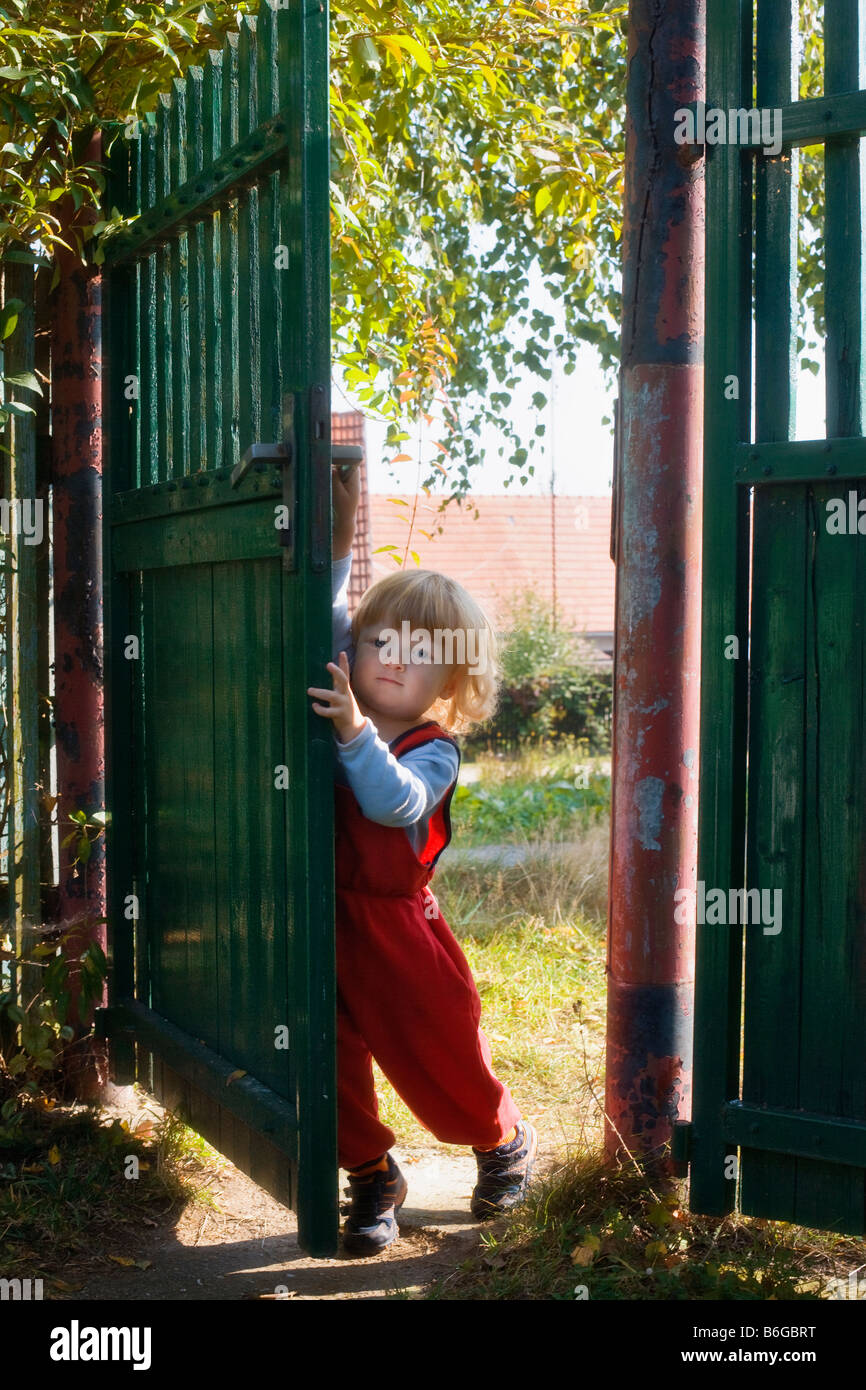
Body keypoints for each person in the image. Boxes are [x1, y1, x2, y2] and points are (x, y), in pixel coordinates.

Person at [306, 464, 538, 1257]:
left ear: (451, 677)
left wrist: (351, 737)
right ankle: (371, 1175)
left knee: (440, 1055)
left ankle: (498, 1137)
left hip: (399, 930)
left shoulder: (430, 749)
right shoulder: (340, 694)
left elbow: (393, 803)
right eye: (379, 641)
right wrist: (337, 545)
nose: (392, 659)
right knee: (321, 1053)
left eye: (420, 651)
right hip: (321, 912)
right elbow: (328, 617)